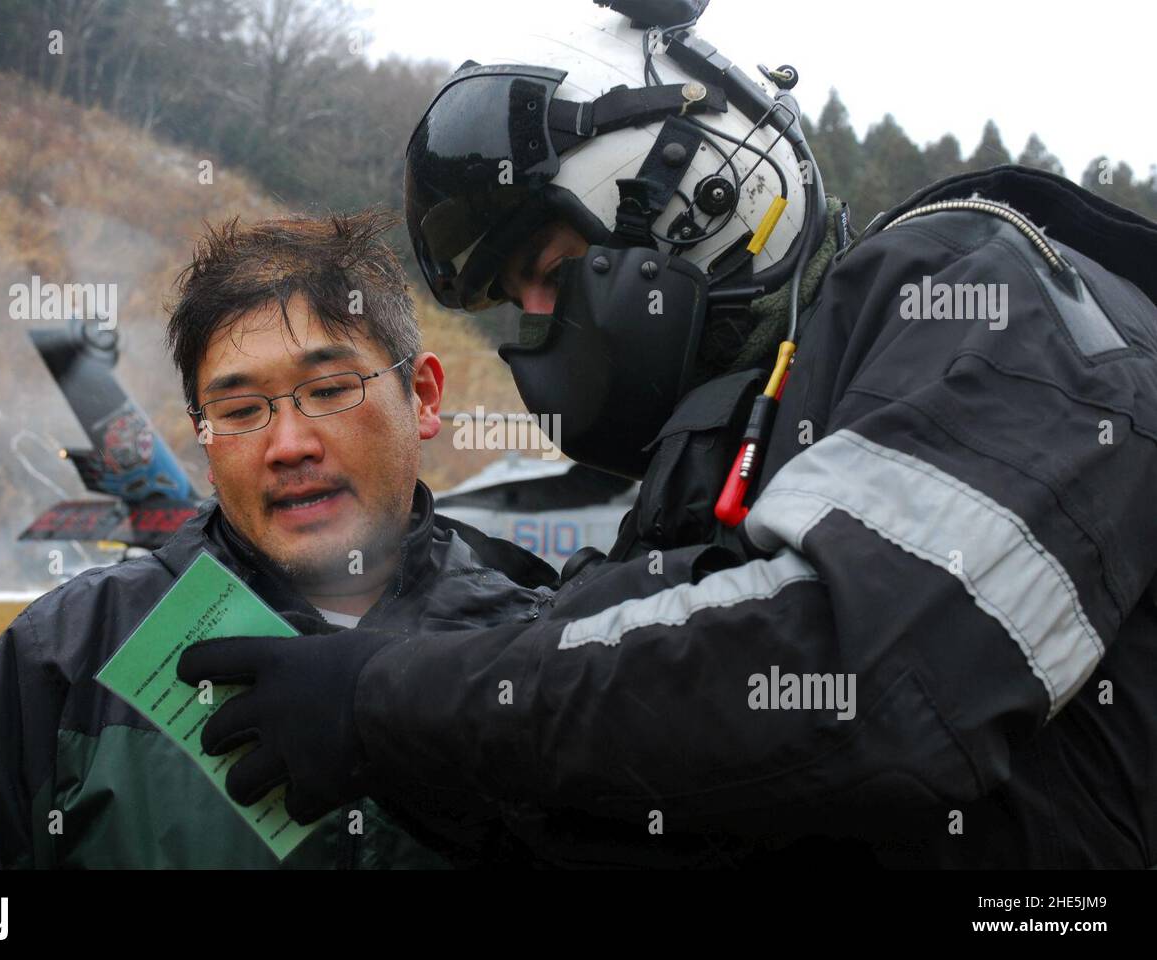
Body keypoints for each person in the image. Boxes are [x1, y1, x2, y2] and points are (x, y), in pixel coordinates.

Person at [177, 3, 1157, 867]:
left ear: (689, 190)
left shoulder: (977, 296)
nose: (536, 322)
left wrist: (383, 702)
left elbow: (860, 680)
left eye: (540, 266)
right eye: (509, 303)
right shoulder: (717, 464)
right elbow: (649, 769)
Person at [0, 211, 554, 869]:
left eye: (331, 389)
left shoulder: (549, 649)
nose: (288, 445)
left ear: (424, 397)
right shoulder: (69, 654)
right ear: (203, 435)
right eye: (241, 409)